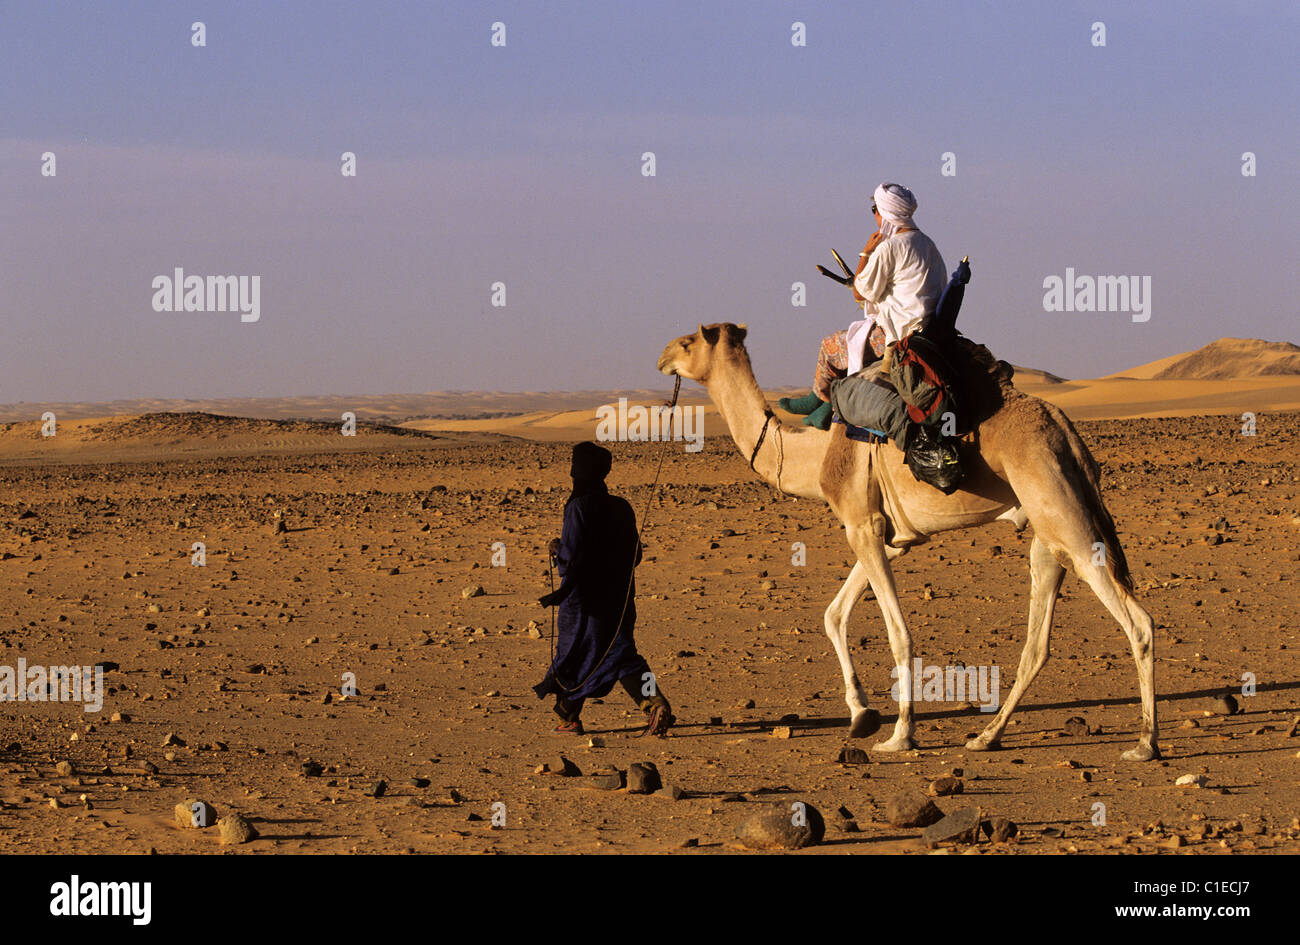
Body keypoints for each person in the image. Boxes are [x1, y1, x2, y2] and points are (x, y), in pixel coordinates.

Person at [534, 442, 674, 736]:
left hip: (584, 604)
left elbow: (571, 560)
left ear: (576, 474)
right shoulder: (622, 506)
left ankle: (568, 717)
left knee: (574, 656)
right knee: (622, 654)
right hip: (620, 598)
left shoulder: (577, 507)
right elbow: (635, 555)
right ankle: (654, 702)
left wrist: (557, 548)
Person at [782, 182, 945, 430]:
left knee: (830, 345)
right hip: (930, 331)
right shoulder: (928, 244)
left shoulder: (889, 247)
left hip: (900, 334)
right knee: (857, 335)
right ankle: (827, 405)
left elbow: (860, 292)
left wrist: (866, 253)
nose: (874, 216)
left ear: (886, 213)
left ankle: (819, 399)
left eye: (874, 210)